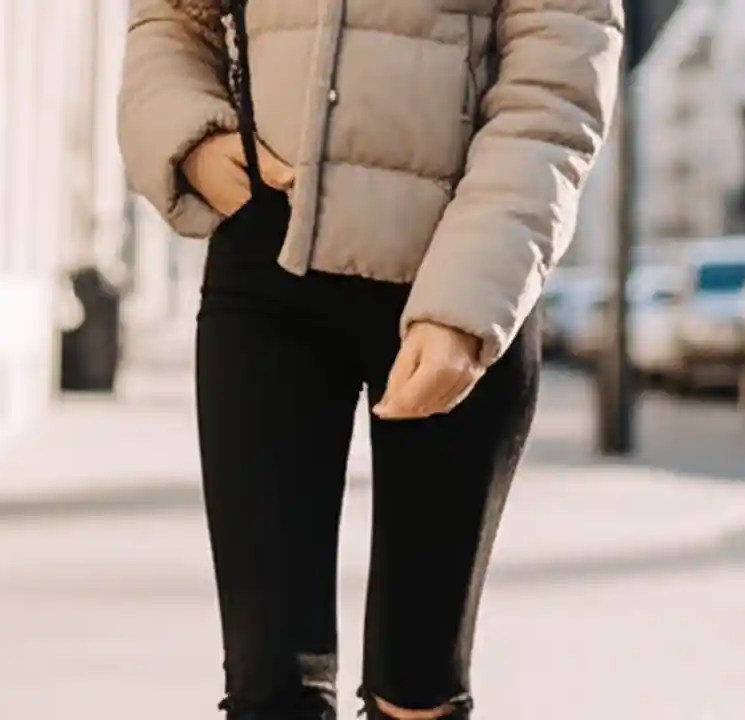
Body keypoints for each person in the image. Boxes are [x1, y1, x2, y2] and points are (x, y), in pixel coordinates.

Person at [118, 0, 622, 717]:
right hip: (269, 275)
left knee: (418, 693)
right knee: (269, 693)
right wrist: (190, 137)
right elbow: (172, 20)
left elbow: (554, 90)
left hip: (456, 282)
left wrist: (465, 304)